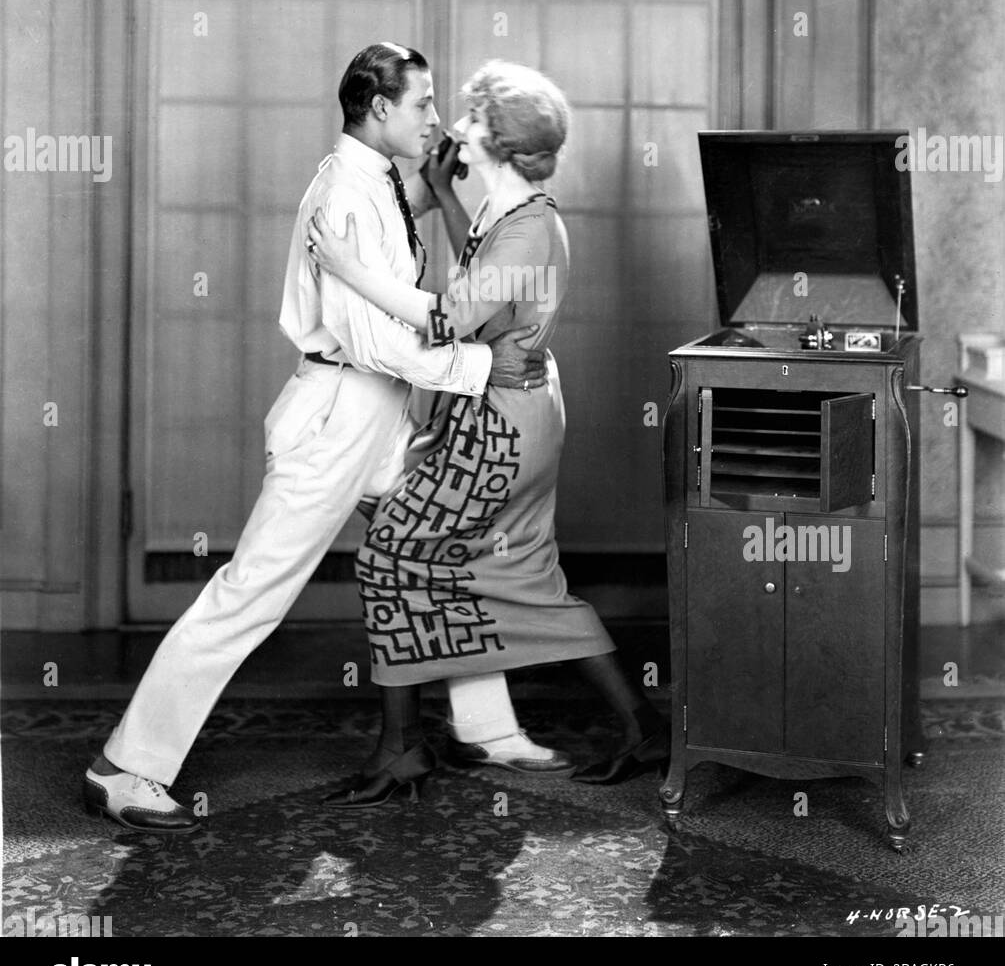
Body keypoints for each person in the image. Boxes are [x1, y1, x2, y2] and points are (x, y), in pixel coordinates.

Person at [84, 43, 568, 833]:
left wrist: (431, 196)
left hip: (377, 415)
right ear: (379, 109)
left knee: (441, 552)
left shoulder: (371, 180)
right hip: (340, 413)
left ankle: (487, 730)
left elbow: (391, 259)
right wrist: (486, 366)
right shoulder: (345, 191)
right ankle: (125, 767)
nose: (436, 119)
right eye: (422, 105)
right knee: (251, 594)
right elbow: (374, 341)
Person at [308, 60, 669, 808]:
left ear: (499, 142)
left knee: (389, 552)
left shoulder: (525, 232)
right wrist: (442, 194)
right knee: (524, 578)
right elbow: (485, 268)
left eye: (471, 121)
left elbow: (445, 318)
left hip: (501, 427)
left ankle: (402, 745)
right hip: (518, 410)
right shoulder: (516, 214)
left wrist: (345, 266)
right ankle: (643, 728)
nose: (454, 127)